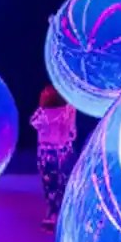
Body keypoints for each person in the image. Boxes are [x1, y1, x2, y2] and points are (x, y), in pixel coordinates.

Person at [30, 85, 77, 231]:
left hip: (47, 152)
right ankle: (62, 214)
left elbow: (33, 122)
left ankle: (51, 215)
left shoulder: (42, 114)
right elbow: (72, 132)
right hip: (64, 151)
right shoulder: (69, 110)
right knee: (63, 183)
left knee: (50, 184)